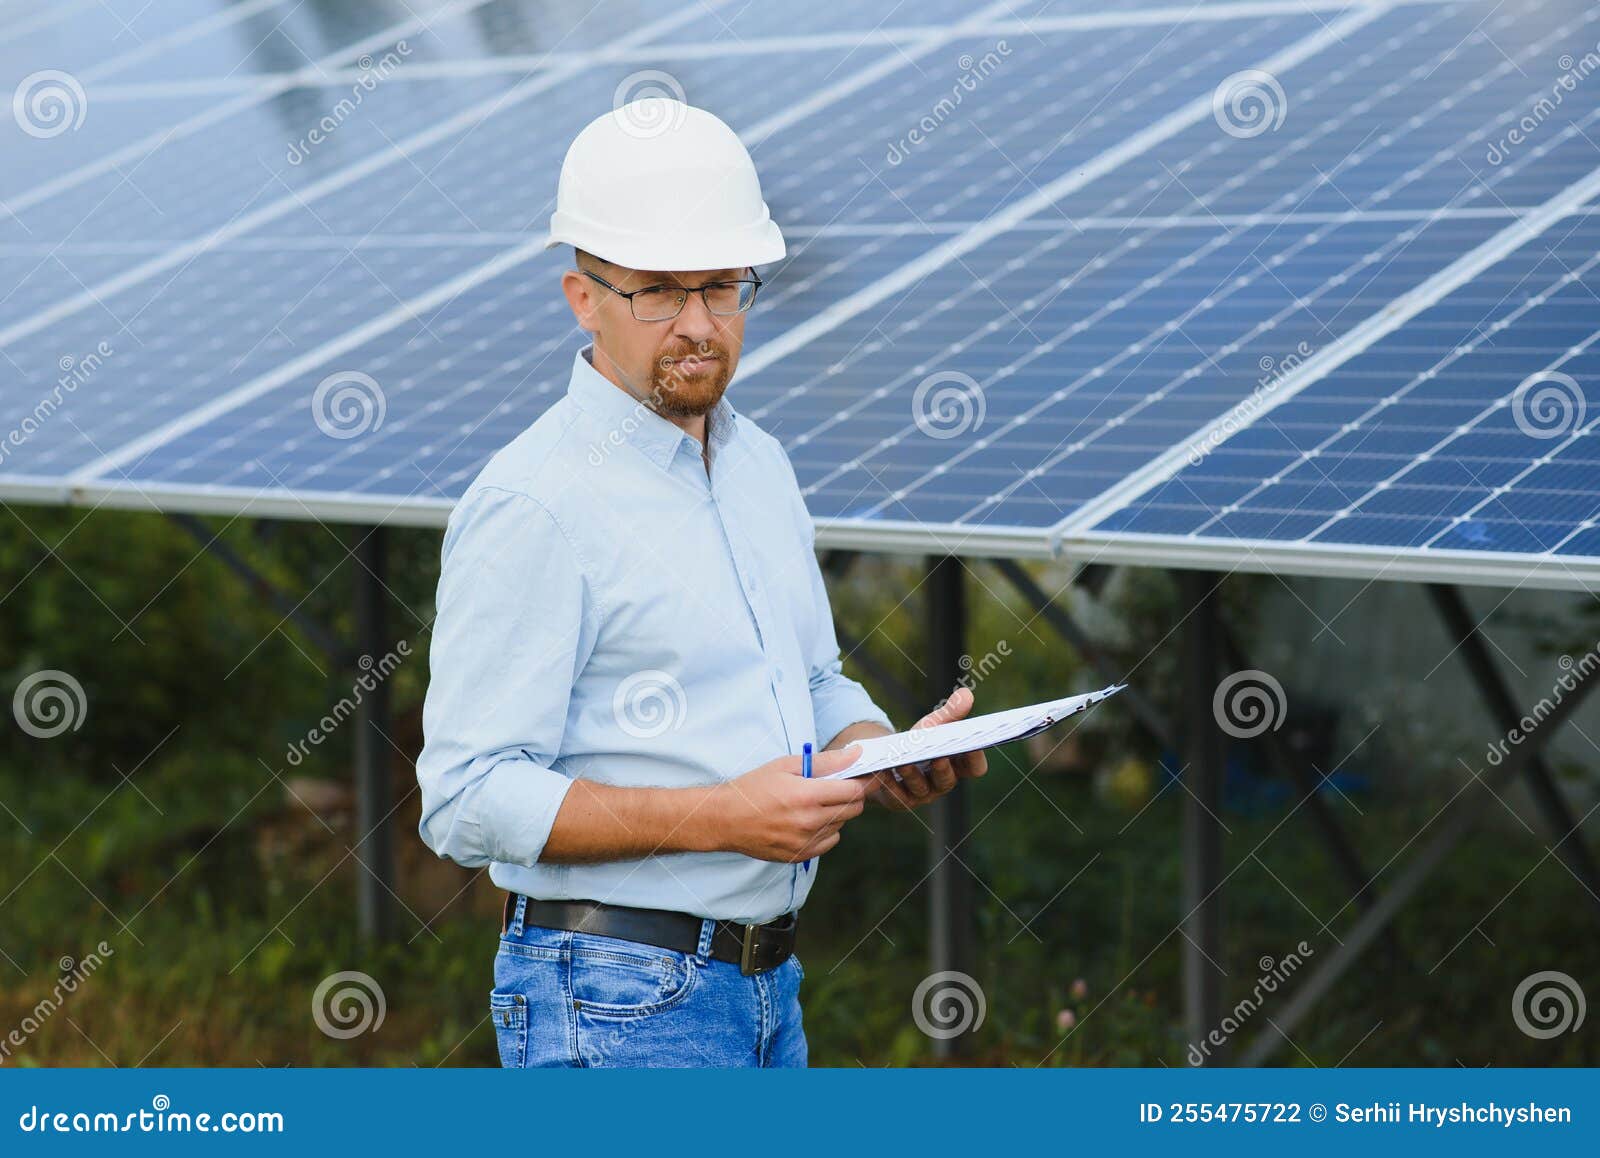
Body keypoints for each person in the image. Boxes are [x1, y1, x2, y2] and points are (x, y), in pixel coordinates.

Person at [415, 98, 986, 1068]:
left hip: (767, 990)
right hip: (611, 997)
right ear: (581, 296)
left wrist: (872, 749)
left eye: (721, 288)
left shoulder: (759, 463)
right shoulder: (536, 503)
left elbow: (808, 680)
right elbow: (465, 798)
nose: (698, 325)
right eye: (658, 291)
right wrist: (719, 815)